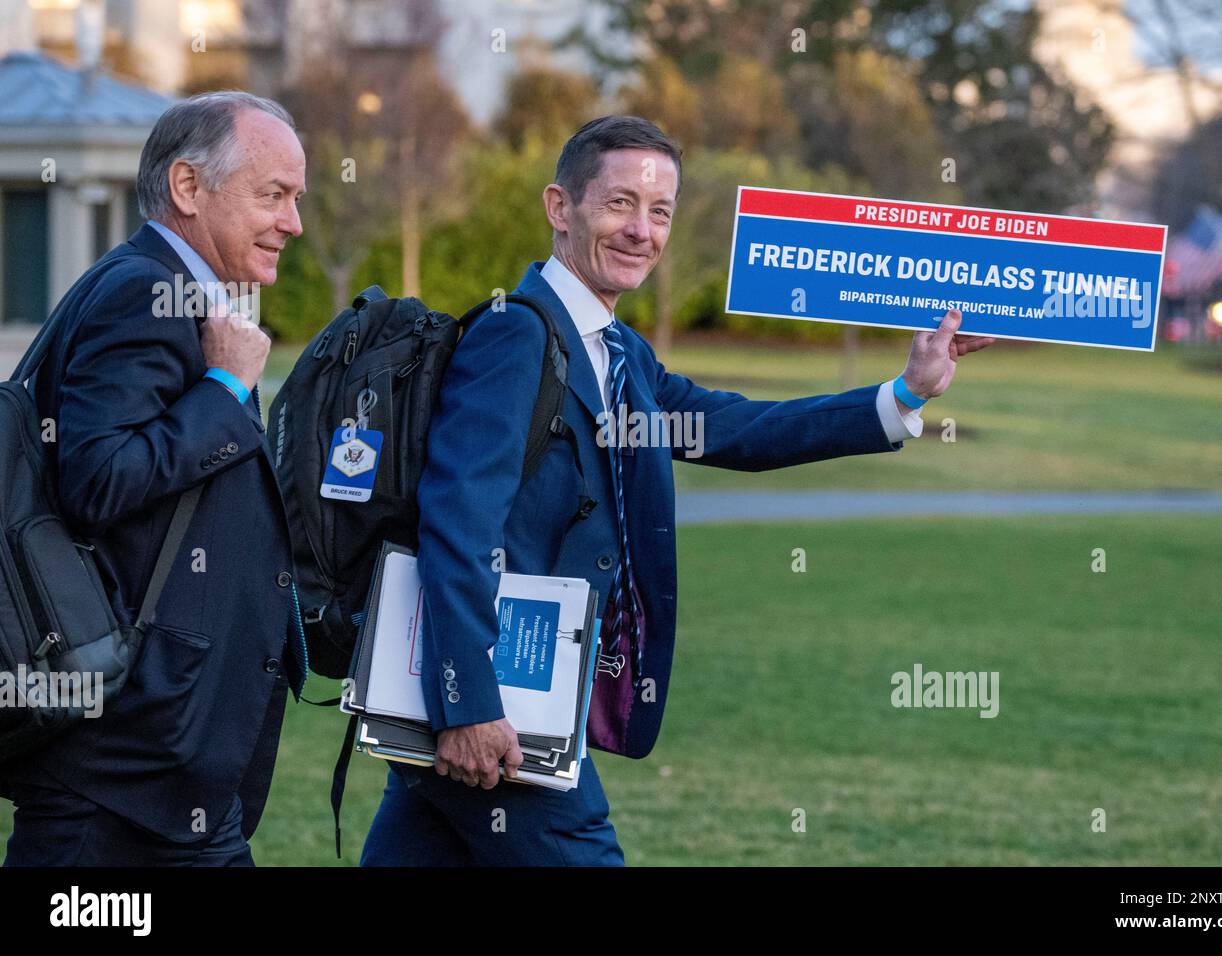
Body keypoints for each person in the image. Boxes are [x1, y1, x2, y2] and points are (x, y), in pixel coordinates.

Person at [360, 115, 993, 866]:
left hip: (497, 706)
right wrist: (469, 705)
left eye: (660, 211)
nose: (643, 231)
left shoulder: (620, 351)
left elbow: (738, 430)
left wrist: (903, 393)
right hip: (501, 703)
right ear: (561, 208)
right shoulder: (518, 335)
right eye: (620, 203)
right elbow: (458, 522)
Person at [1, 92, 308, 866]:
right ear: (186, 187)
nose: (293, 222)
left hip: (156, 773)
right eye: (273, 195)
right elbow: (98, 480)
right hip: (122, 774)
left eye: (296, 198)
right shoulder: (143, 291)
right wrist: (226, 391)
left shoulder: (177, 295)